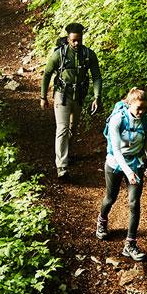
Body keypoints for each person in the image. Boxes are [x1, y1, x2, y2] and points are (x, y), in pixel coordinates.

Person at [96, 88, 147, 261]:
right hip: (115, 163)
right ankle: (102, 220)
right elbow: (116, 150)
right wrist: (127, 172)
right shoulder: (117, 120)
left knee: (134, 203)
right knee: (110, 197)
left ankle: (130, 244)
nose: (141, 112)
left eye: (144, 108)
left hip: (135, 163)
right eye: (138, 108)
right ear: (129, 104)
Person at [40, 23, 102, 179]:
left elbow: (96, 76)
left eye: (79, 40)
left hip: (79, 97)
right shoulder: (59, 55)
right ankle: (62, 167)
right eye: (73, 40)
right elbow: (47, 74)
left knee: (72, 129)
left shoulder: (89, 54)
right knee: (62, 128)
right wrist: (43, 97)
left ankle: (65, 153)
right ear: (68, 39)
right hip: (62, 95)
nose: (76, 43)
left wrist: (97, 96)